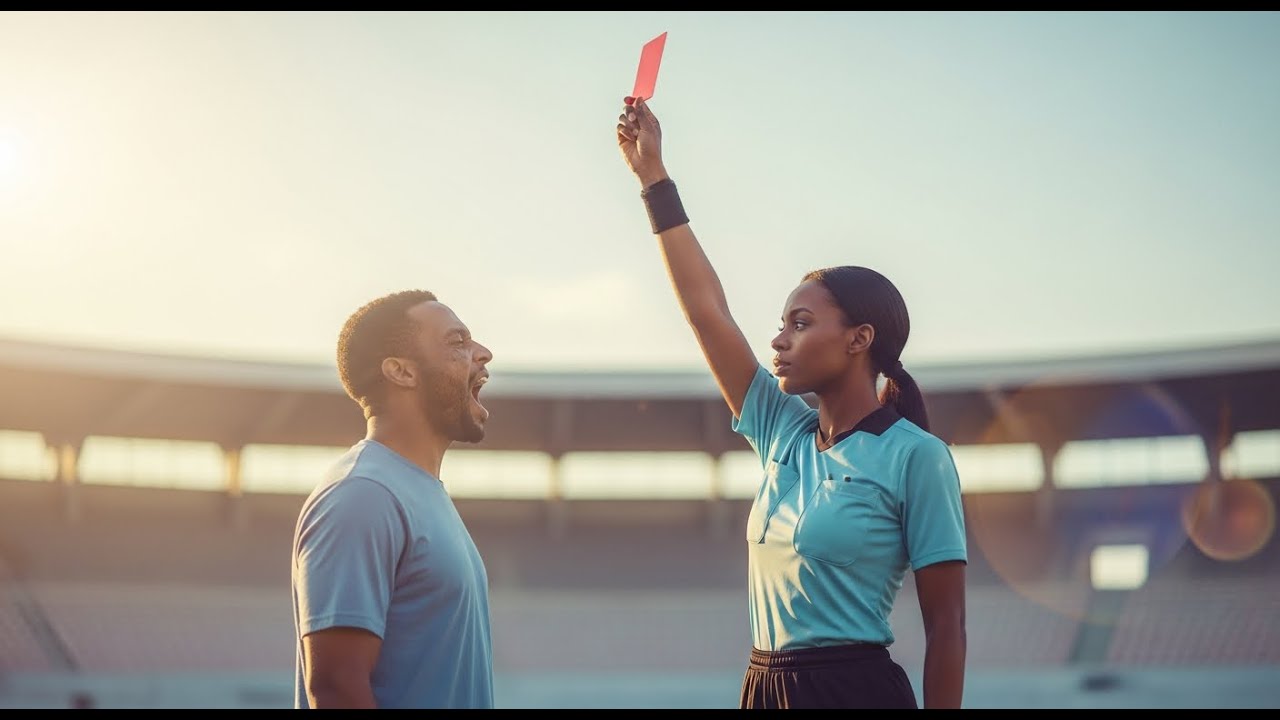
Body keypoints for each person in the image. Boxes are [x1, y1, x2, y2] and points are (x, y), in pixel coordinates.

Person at [615, 97, 968, 709]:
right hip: (763, 686)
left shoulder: (918, 456)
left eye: (800, 324)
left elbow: (947, 628)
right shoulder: (782, 429)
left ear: (859, 339)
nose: (778, 340)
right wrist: (654, 178)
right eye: (781, 324)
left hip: (855, 690)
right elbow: (707, 312)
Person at [291, 289, 495, 709]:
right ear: (401, 371)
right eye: (457, 341)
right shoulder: (362, 495)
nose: (483, 353)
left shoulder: (417, 492)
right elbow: (336, 689)